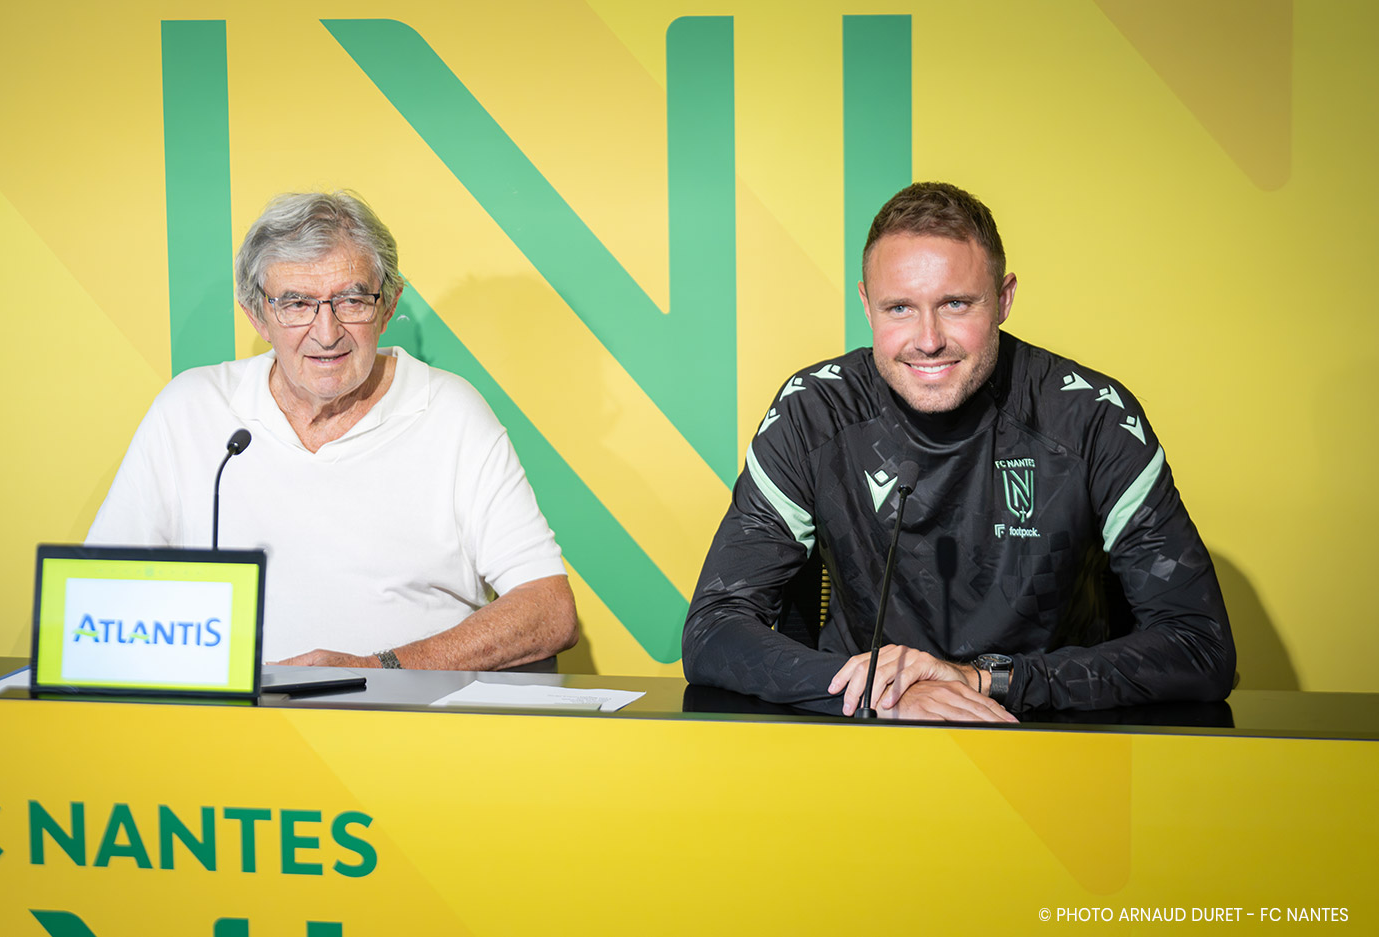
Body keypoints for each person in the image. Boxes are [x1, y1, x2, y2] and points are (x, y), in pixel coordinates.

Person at [682, 182, 1235, 721]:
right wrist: (881, 692)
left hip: (1046, 739)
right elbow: (714, 627)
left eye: (956, 304)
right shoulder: (816, 412)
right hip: (863, 738)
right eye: (899, 307)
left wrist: (983, 682)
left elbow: (1200, 648)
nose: (927, 339)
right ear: (866, 305)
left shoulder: (1091, 417)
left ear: (1004, 299)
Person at [88, 191, 578, 670]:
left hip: (409, 728)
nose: (326, 334)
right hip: (232, 728)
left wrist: (380, 670)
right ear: (258, 315)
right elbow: (100, 597)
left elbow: (548, 609)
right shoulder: (191, 408)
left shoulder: (451, 413)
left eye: (351, 300)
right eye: (297, 304)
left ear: (387, 306)